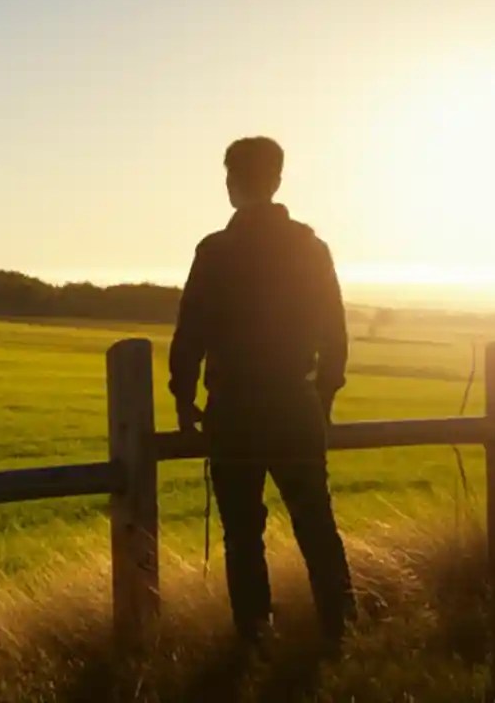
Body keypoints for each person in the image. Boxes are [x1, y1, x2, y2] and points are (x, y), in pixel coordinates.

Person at [169, 136, 354, 647]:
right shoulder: (311, 248)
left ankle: (255, 638)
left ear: (231, 185)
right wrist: (323, 400)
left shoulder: (216, 251)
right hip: (295, 402)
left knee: (243, 534)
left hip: (233, 409)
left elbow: (191, 335)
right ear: (277, 180)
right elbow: (334, 334)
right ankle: (343, 632)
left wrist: (185, 402)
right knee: (316, 521)